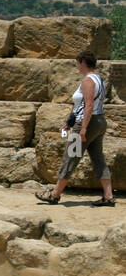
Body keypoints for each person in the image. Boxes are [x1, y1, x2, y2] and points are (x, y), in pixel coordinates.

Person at [36, 50, 114, 206]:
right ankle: (108, 196)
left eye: (78, 64)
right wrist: (69, 122)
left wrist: (83, 128)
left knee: (70, 157)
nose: (78, 67)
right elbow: (83, 105)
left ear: (83, 63)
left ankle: (55, 194)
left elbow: (89, 105)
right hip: (99, 122)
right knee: (98, 159)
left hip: (86, 124)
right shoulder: (98, 78)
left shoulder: (87, 81)